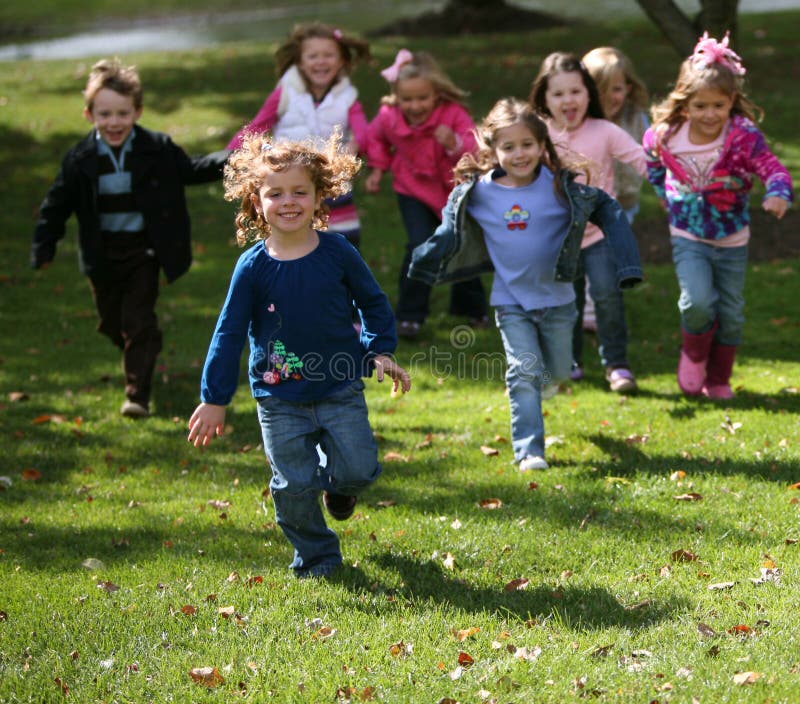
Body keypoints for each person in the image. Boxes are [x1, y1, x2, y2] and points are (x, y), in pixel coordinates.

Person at [187, 133, 411, 578]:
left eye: (299, 192)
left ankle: (340, 488)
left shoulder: (338, 252)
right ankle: (316, 556)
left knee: (360, 470)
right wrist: (215, 398)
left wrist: (378, 351)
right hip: (279, 398)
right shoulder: (252, 267)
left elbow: (372, 302)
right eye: (275, 193)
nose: (288, 202)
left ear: (318, 196)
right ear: (256, 200)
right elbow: (228, 332)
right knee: (292, 485)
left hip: (339, 386)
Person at [408, 99, 642, 471]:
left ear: (541, 145)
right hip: (510, 300)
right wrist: (424, 261)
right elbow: (448, 228)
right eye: (509, 147)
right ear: (493, 150)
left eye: (527, 145)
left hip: (561, 300)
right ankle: (529, 450)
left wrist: (626, 266)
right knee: (522, 372)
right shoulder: (479, 193)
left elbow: (608, 210)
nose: (519, 154)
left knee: (560, 372)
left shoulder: (561, 188)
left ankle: (550, 380)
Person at [30, 58, 229, 418]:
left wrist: (233, 159)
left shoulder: (156, 148)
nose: (114, 122)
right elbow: (56, 204)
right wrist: (44, 245)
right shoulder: (79, 159)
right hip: (102, 253)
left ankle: (137, 395)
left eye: (122, 113)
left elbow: (191, 169)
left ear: (137, 112)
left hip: (144, 250)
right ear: (89, 115)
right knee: (112, 322)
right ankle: (145, 346)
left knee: (137, 319)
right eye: (105, 114)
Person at [643, 32, 793, 399]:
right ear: (684, 104)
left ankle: (719, 377)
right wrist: (665, 196)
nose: (710, 115)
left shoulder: (742, 135)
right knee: (696, 302)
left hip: (732, 236)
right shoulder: (665, 136)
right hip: (688, 234)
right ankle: (694, 354)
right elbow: (652, 164)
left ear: (731, 103)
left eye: (719, 106)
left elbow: (772, 168)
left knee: (731, 312)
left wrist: (777, 192)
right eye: (701, 106)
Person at [530, 52, 646, 393]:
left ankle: (617, 364)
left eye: (576, 91)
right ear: (545, 99)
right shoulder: (538, 134)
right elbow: (513, 170)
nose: (569, 100)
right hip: (558, 239)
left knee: (608, 296)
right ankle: (572, 361)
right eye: (559, 93)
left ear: (588, 94)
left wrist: (677, 178)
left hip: (600, 234)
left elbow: (643, 161)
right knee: (569, 301)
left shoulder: (604, 131)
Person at [365, 49, 487, 338]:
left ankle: (470, 309)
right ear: (397, 96)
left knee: (459, 244)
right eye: (407, 99)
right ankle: (409, 314)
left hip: (453, 190)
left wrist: (454, 142)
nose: (415, 105)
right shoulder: (389, 116)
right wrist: (377, 170)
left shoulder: (452, 113)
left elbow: (475, 146)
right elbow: (375, 139)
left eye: (422, 98)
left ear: (436, 94)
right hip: (413, 190)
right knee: (420, 245)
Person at [227, 22, 371, 248]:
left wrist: (355, 144)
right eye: (313, 56)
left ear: (342, 60)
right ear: (300, 63)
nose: (321, 61)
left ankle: (347, 279)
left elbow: (363, 131)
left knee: (345, 241)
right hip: (291, 182)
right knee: (299, 241)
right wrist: (228, 153)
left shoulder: (347, 97)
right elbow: (258, 125)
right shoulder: (286, 92)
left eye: (328, 55)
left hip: (332, 181)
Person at [581, 46, 650, 333]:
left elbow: (649, 157)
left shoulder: (636, 118)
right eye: (601, 89)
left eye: (617, 89)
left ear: (630, 88)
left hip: (623, 203)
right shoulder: (579, 122)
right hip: (585, 205)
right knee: (587, 256)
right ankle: (587, 308)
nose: (610, 97)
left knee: (607, 256)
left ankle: (596, 306)